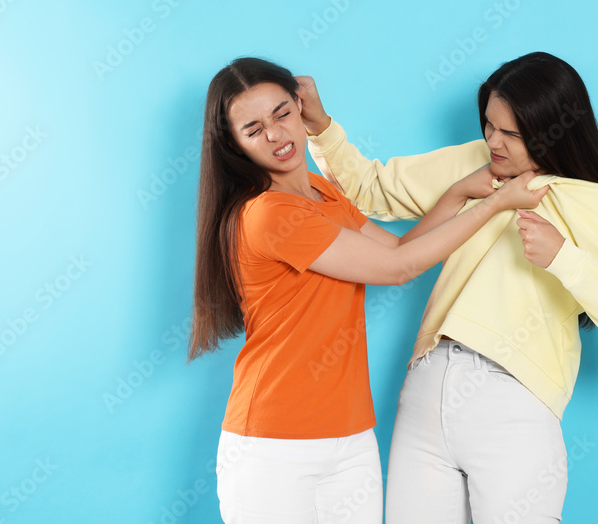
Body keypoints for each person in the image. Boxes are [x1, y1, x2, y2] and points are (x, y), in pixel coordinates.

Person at [298, 51, 598, 523]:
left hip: (514, 399)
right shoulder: (479, 165)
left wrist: (565, 259)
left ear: (551, 129)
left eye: (511, 134)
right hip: (426, 388)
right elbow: (370, 189)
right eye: (489, 125)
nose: (493, 142)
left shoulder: (594, 203)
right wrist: (320, 127)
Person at [185, 57, 547, 524]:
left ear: (299, 107)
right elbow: (397, 269)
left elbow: (400, 250)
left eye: (281, 113)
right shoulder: (268, 214)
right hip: (273, 445)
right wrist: (497, 202)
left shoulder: (321, 193)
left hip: (351, 437)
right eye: (253, 129)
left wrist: (459, 193)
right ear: (233, 144)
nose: (276, 134)